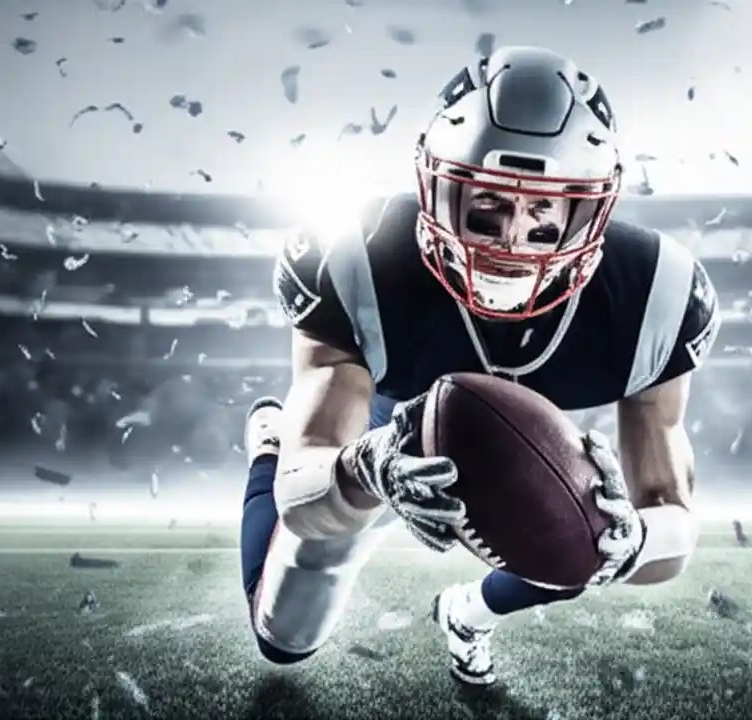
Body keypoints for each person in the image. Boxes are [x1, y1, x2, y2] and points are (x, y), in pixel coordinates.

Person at [240, 46, 721, 686]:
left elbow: (673, 529)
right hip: (386, 436)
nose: (511, 238)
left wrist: (629, 539)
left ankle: (467, 616)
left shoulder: (656, 293)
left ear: (592, 212)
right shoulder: (357, 257)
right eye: (487, 201)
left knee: (581, 539)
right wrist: (368, 466)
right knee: (285, 637)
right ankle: (266, 443)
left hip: (526, 446)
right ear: (434, 186)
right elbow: (306, 494)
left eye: (544, 210)